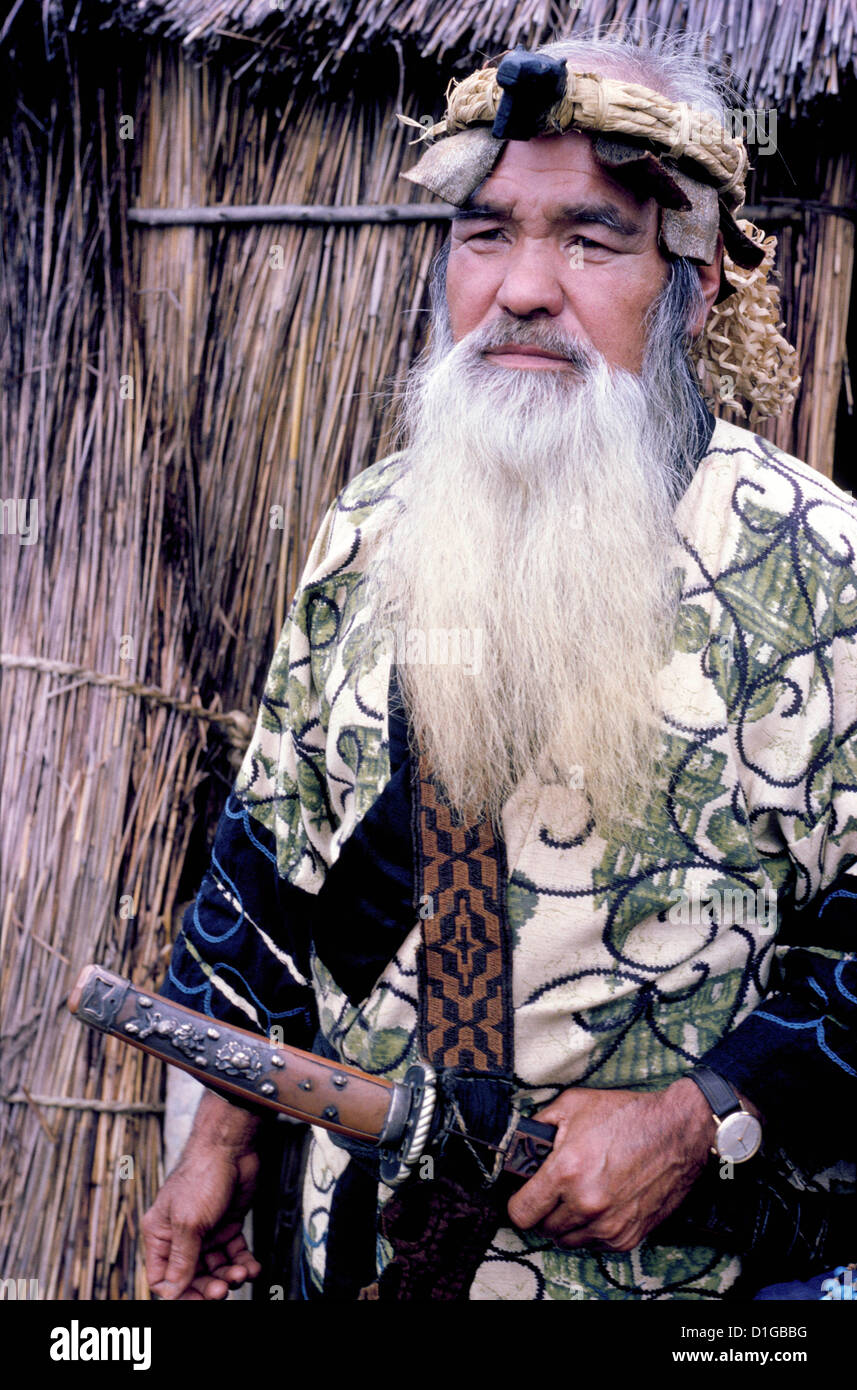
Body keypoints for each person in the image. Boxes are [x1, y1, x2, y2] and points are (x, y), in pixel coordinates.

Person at [142, 31, 857, 1301]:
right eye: (484, 234)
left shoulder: (818, 570)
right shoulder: (373, 525)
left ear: (685, 281)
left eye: (590, 240)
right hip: (356, 1266)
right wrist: (215, 1147)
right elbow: (271, 845)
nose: (524, 287)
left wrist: (703, 1118)